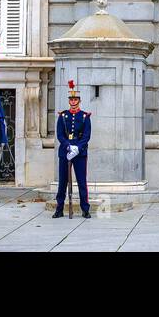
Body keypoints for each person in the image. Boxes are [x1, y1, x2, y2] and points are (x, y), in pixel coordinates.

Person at [53, 79, 92, 219]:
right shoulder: (63, 116)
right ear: (69, 101)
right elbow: (59, 135)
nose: (73, 102)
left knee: (82, 181)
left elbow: (87, 136)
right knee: (62, 182)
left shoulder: (85, 116)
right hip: (65, 152)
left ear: (79, 101)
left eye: (76, 99)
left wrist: (78, 147)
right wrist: (68, 146)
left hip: (80, 153)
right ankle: (59, 208)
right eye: (71, 99)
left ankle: (85, 209)